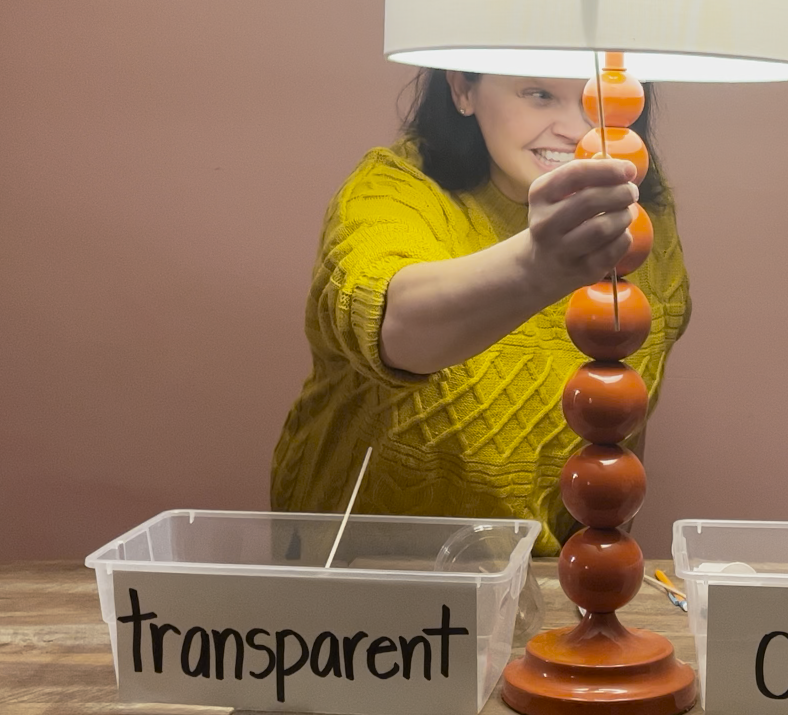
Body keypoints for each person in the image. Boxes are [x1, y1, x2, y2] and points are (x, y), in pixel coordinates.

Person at [271, 68, 688, 555]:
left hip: (538, 571)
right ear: (462, 89)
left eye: (597, 104)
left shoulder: (638, 217)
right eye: (539, 94)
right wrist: (536, 266)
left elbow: (626, 404)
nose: (576, 129)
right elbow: (397, 329)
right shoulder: (395, 189)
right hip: (355, 563)